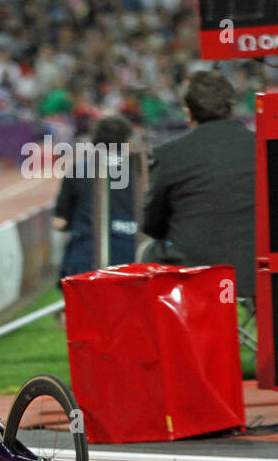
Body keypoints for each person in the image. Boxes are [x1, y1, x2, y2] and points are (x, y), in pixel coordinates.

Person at [141, 70, 256, 298]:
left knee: (147, 251)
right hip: (258, 270)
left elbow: (152, 225)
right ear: (231, 108)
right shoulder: (262, 147)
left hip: (196, 274)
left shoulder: (169, 155)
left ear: (188, 112)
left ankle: (164, 332)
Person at [54, 115, 138, 281]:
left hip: (87, 255)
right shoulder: (142, 169)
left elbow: (59, 221)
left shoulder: (79, 169)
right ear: (127, 141)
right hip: (134, 254)